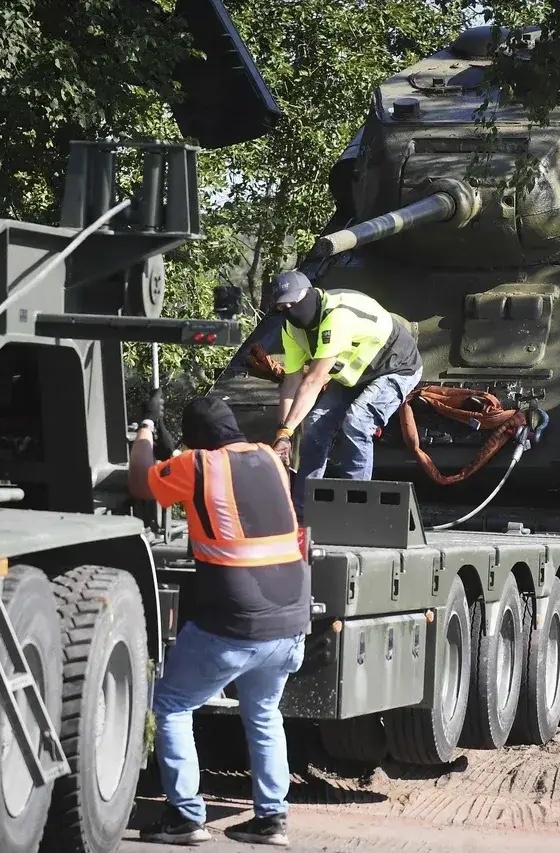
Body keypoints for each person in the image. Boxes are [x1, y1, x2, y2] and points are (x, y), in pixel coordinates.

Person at [128, 393, 310, 847]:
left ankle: (185, 818)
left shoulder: (199, 467)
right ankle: (271, 820)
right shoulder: (269, 458)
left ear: (198, 443)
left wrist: (147, 428)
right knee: (265, 713)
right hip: (290, 621)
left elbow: (139, 481)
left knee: (170, 703)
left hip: (235, 623)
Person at [269, 270, 423, 518]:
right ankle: (301, 511)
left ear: (309, 295)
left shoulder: (337, 317)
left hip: (395, 366)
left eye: (292, 303)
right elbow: (292, 383)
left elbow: (314, 380)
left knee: (357, 422)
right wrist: (283, 434)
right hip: (354, 373)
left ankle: (357, 508)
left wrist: (287, 430)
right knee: (314, 425)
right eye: (281, 307)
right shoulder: (291, 329)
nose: (288, 311)